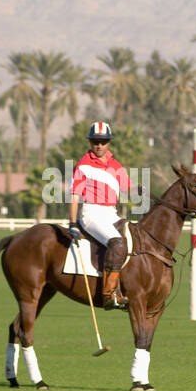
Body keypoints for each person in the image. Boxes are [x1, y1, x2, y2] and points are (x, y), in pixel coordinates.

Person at [68, 121, 132, 309]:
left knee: (133, 238)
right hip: (91, 213)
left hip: (111, 213)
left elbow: (128, 187)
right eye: (95, 141)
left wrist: (144, 191)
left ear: (109, 143)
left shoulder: (114, 164)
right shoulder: (83, 165)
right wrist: (72, 223)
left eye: (103, 141)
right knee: (117, 242)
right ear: (90, 142)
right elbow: (74, 196)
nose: (99, 145)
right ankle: (108, 294)